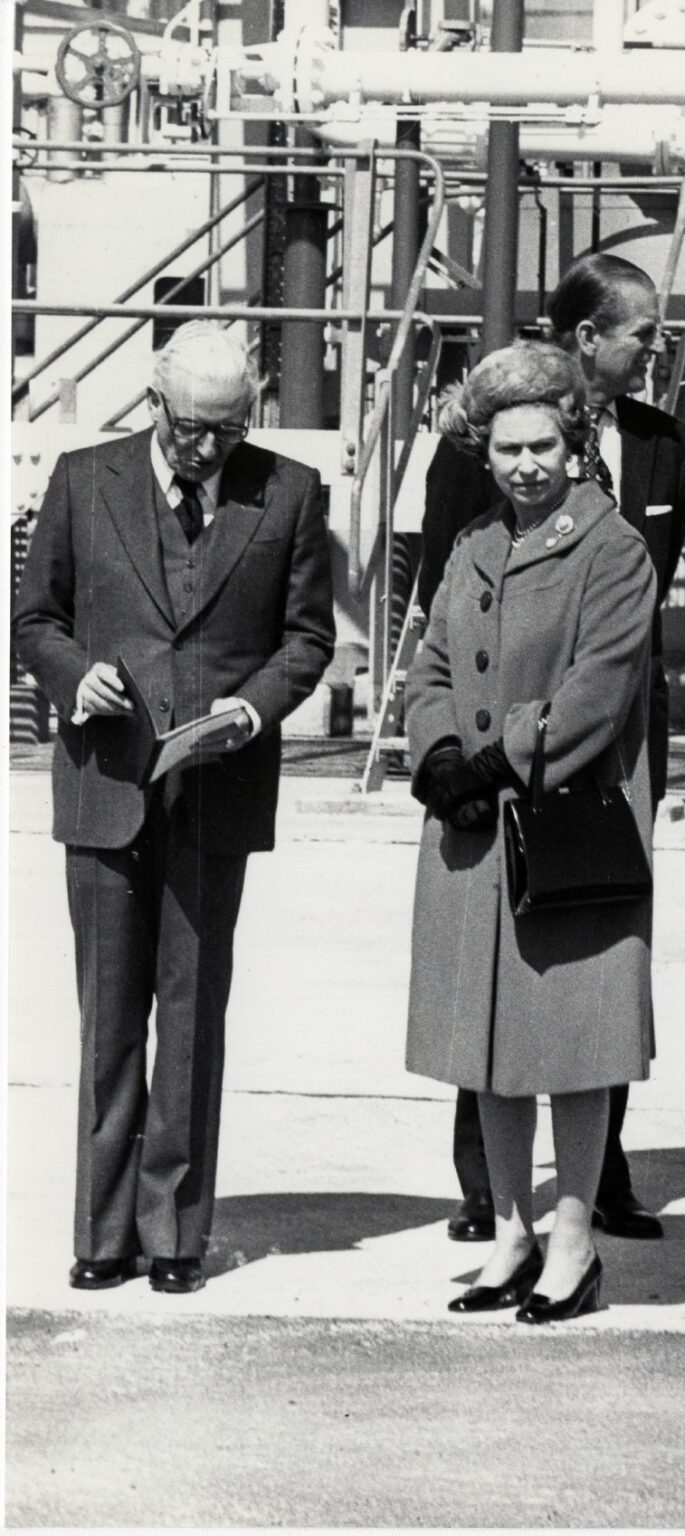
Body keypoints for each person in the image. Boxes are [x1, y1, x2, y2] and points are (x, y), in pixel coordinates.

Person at [14, 321, 335, 1295]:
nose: (213, 448)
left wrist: (254, 706)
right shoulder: (82, 478)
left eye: (231, 427)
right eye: (196, 429)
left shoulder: (290, 492)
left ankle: (175, 1235)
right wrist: (74, 678)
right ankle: (102, 1232)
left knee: (192, 1017)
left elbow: (307, 639)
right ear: (156, 404)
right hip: (106, 785)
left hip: (217, 788)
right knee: (107, 1017)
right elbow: (35, 618)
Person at [418, 252, 685, 1243]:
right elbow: (433, 649)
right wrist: (436, 755)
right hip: (474, 804)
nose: (525, 463)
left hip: (578, 785)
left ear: (571, 443)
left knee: (576, 1015)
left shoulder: (620, 525)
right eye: (509, 448)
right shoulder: (473, 526)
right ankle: (497, 1215)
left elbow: (608, 670)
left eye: (542, 445)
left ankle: (579, 1221)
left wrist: (503, 759)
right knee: (487, 1020)